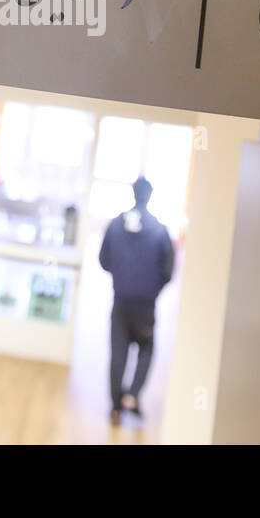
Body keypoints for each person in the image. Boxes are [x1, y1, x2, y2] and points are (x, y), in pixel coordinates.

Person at [98, 176, 174, 425]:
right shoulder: (160, 230)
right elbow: (168, 271)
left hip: (121, 299)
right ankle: (132, 395)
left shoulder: (116, 224)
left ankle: (116, 407)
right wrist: (150, 289)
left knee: (118, 351)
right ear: (149, 195)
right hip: (145, 303)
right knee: (146, 348)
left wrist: (122, 277)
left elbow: (104, 260)